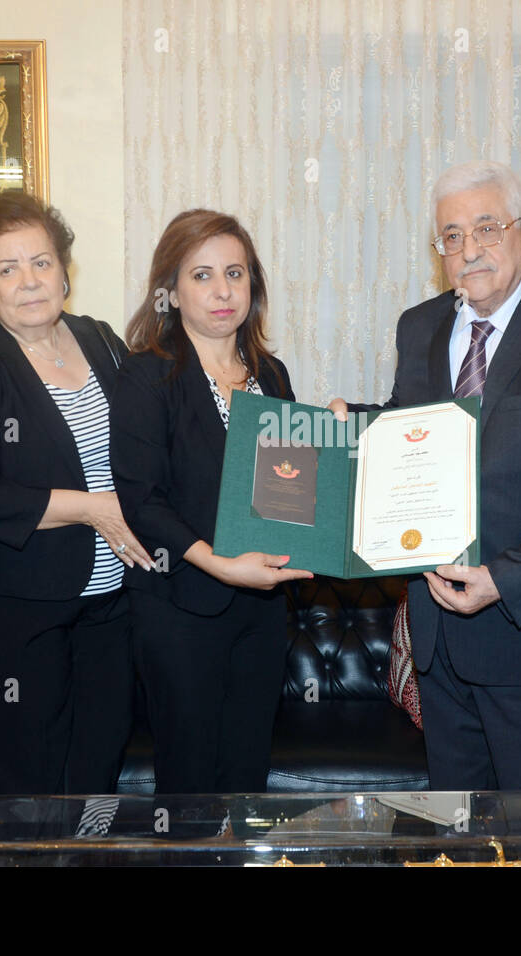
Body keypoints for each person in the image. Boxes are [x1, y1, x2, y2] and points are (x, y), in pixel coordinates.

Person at [330, 160, 521, 790]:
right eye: (451, 236)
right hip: (439, 638)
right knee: (459, 836)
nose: (469, 250)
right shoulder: (419, 327)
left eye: (487, 229)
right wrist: (353, 426)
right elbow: (416, 430)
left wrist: (502, 579)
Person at [0, 192, 149, 795]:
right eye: (7, 269)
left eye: (42, 262)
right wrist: (94, 508)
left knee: (100, 759)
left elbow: (146, 443)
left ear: (64, 271)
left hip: (112, 598)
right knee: (32, 777)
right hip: (14, 603)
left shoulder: (100, 339)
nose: (29, 281)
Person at [111, 209, 313, 794]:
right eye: (201, 276)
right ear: (169, 292)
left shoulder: (270, 375)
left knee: (247, 771)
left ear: (254, 284)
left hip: (262, 606)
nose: (222, 291)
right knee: (190, 780)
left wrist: (335, 443)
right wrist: (219, 564)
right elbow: (142, 502)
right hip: (180, 604)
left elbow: (291, 484)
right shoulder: (147, 375)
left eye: (235, 273)